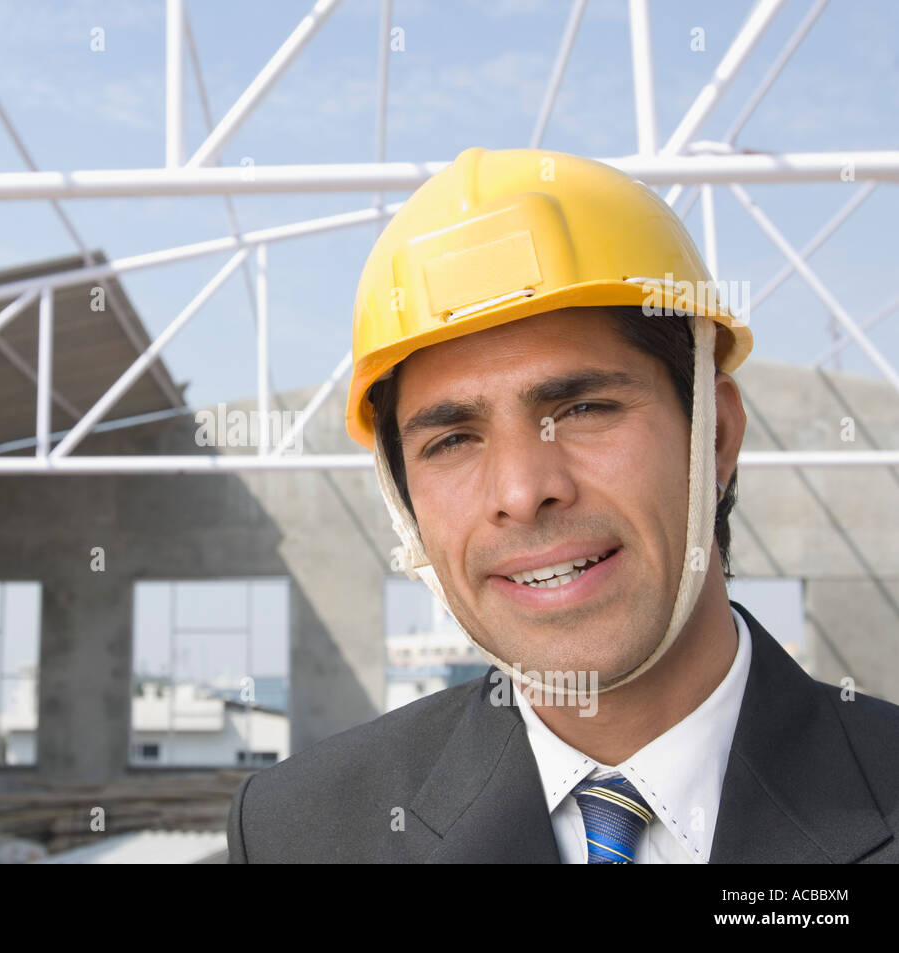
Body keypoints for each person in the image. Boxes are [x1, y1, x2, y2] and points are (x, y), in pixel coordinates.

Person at [226, 147, 899, 863]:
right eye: (453, 439)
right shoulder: (295, 835)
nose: (521, 492)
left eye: (582, 407)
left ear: (717, 432)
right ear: (404, 502)